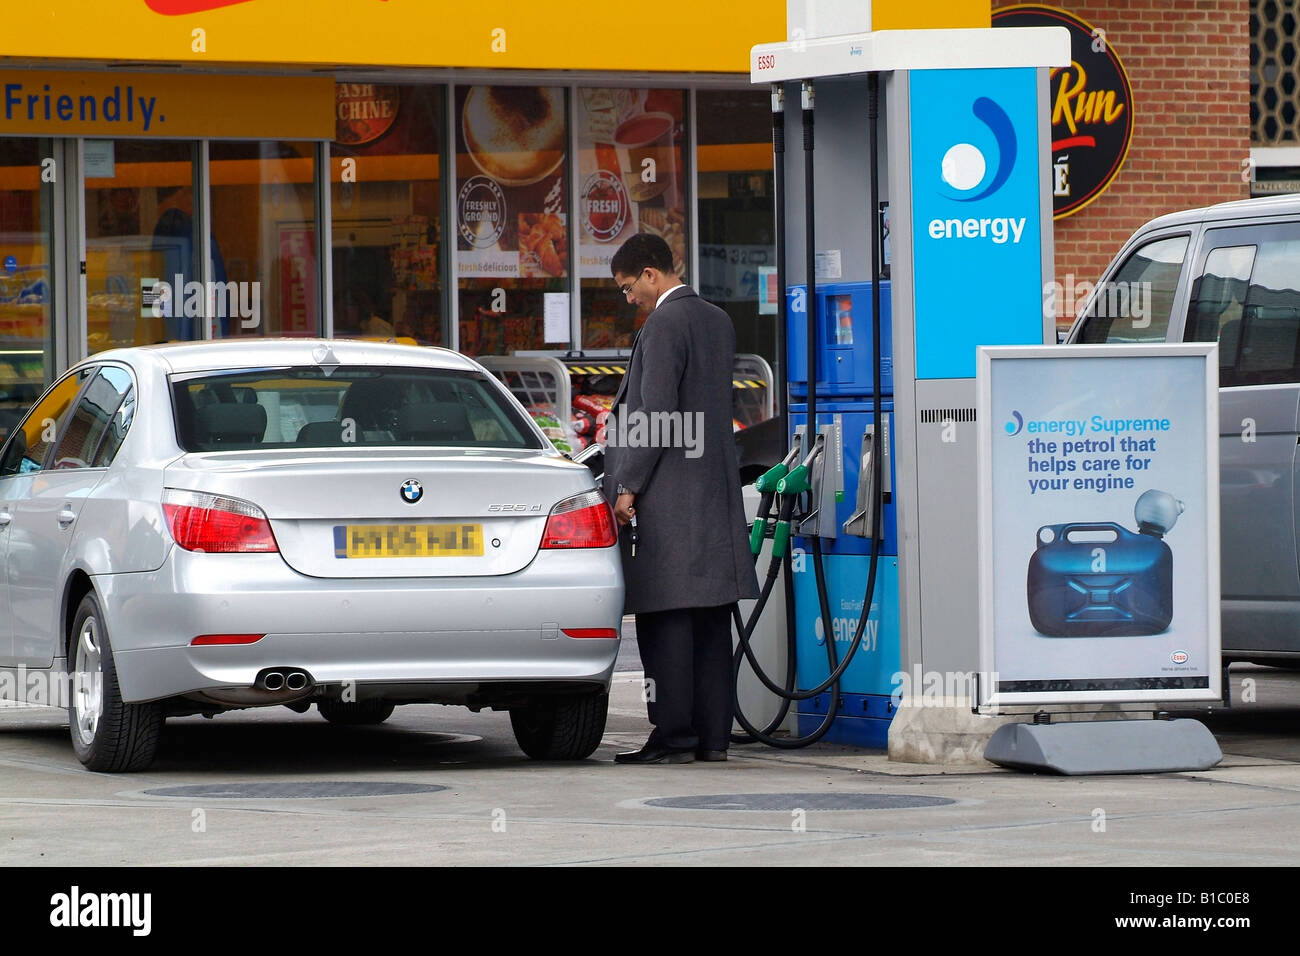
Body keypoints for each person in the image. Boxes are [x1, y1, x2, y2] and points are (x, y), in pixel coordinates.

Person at [604, 233, 759, 764]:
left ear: (651, 273)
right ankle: (712, 736)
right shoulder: (717, 319)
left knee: (666, 618)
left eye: (629, 288)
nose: (629, 300)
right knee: (711, 621)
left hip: (669, 496)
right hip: (713, 491)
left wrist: (628, 485)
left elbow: (656, 414)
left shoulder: (664, 324)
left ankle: (673, 734)